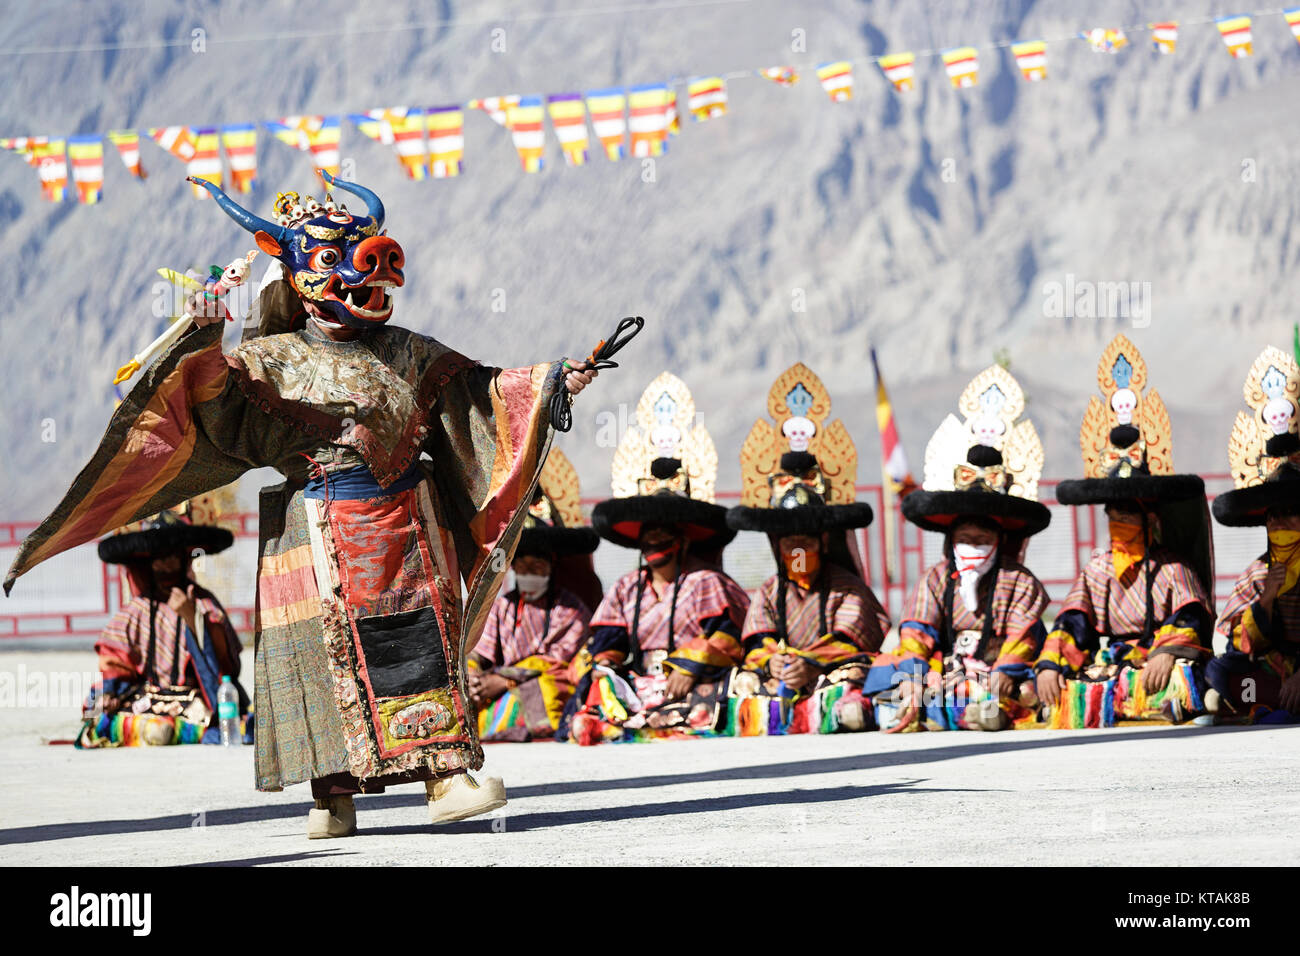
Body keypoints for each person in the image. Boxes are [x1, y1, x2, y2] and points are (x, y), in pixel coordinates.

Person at [5, 174, 608, 839]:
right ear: (295, 274)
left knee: (419, 648)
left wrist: (554, 381)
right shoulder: (267, 361)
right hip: (315, 531)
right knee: (324, 663)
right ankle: (332, 797)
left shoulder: (409, 350)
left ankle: (443, 781)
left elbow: (481, 391)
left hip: (408, 527)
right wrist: (203, 338)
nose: (358, 273)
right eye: (328, 259)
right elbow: (207, 401)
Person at [559, 372, 750, 743]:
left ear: (682, 538)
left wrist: (690, 663)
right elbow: (608, 640)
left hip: (695, 679)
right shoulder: (627, 588)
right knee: (601, 692)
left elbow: (729, 638)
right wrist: (604, 667)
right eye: (649, 533)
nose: (655, 540)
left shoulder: (706, 583)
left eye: (664, 532)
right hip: (642, 679)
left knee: (723, 694)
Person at [1035, 336, 1213, 726]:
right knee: (1072, 689)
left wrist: (1167, 651)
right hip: (1114, 662)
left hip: (1159, 659)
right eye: (1113, 515)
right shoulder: (1098, 569)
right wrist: (1051, 664)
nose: (1119, 525)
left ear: (1150, 521)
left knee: (1184, 680)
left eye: (1128, 516)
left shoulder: (1172, 568)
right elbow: (1073, 622)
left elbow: (1192, 617)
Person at [866, 364, 1051, 732]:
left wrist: (1002, 671)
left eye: (982, 540)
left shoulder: (1020, 581)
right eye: (964, 539)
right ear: (951, 542)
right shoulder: (935, 579)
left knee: (1030, 687)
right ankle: (948, 709)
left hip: (998, 673)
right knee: (889, 672)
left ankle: (965, 711)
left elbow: (1024, 636)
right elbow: (917, 632)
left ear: (999, 541)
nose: (972, 547)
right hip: (947, 669)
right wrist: (915, 673)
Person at [724, 362, 890, 734]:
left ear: (824, 540)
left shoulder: (846, 587)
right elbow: (756, 642)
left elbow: (853, 641)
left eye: (806, 541)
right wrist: (774, 664)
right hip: (782, 675)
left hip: (826, 674)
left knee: (854, 677)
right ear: (777, 545)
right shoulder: (770, 590)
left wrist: (809, 662)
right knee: (742, 682)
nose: (797, 550)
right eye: (789, 542)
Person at [81, 511, 249, 747]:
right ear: (149, 563)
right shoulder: (136, 610)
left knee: (227, 725)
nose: (166, 565)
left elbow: (227, 665)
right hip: (148, 697)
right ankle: (162, 729)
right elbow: (115, 664)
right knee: (100, 716)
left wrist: (191, 617)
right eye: (159, 558)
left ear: (183, 559)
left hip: (193, 699)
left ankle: (169, 730)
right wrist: (108, 695)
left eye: (171, 557)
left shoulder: (202, 602)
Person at [1209, 345, 1300, 721]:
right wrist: (1266, 600)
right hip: (1276, 669)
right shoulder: (1257, 573)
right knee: (1220, 674)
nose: (1279, 525)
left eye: (1290, 516)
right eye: (1273, 517)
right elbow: (1236, 643)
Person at [468, 503, 597, 741]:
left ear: (551, 566)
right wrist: (473, 674)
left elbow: (557, 660)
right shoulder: (502, 606)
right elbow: (479, 650)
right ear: (513, 568)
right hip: (497, 682)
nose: (530, 574)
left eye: (537, 566)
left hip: (548, 680)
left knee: (547, 688)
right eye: (523, 567)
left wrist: (504, 680)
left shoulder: (571, 608)